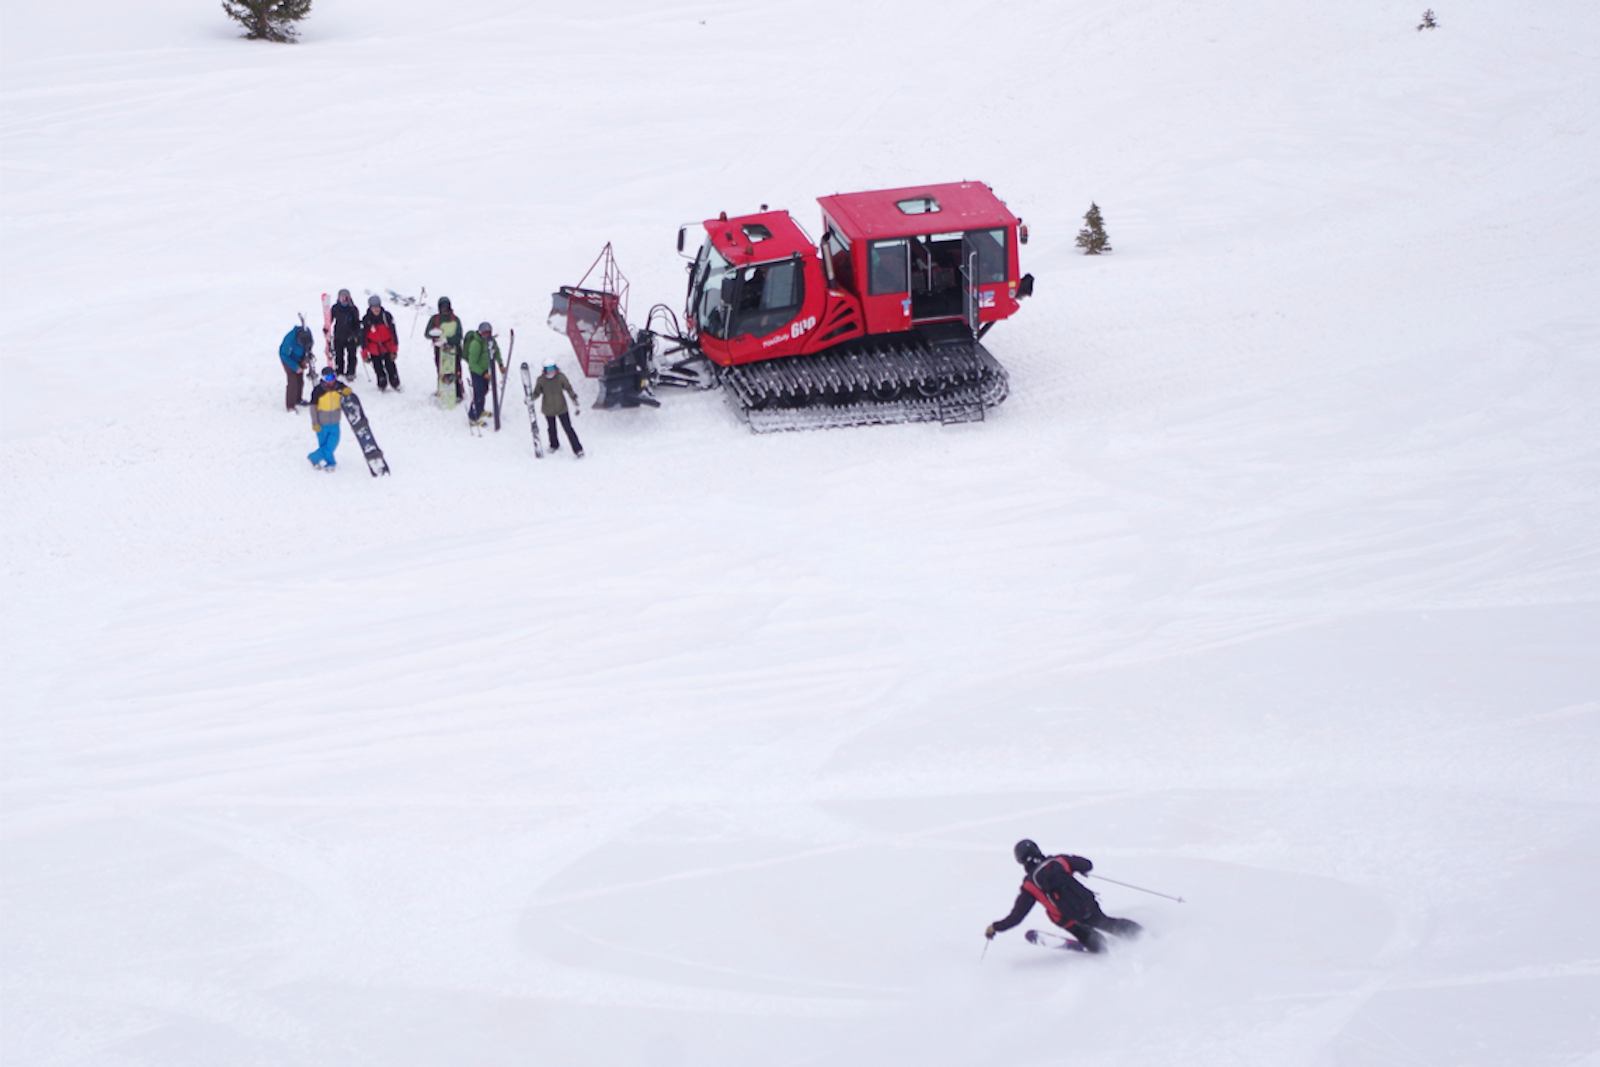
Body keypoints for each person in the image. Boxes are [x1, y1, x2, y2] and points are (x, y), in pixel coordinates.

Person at [984, 840, 1142, 953]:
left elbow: (1016, 917)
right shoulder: (1059, 861)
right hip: (1088, 904)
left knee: (1083, 933)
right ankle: (1143, 936)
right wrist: (1076, 869)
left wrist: (995, 927)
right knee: (1106, 922)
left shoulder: (1029, 886)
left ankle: (1101, 947)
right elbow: (1087, 864)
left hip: (1066, 918)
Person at [531, 361, 583, 457]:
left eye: (553, 368)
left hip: (561, 407)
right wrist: (531, 398)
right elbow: (537, 392)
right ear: (544, 370)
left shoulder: (560, 377)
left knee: (568, 428)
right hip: (548, 408)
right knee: (551, 428)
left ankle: (578, 449)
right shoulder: (541, 380)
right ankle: (554, 445)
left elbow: (568, 387)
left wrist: (573, 397)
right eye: (548, 369)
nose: (551, 371)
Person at [307, 367, 353, 470]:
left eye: (333, 377)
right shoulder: (318, 390)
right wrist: (315, 423)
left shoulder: (338, 386)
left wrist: (347, 391)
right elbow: (313, 407)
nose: (331, 380)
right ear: (323, 379)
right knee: (324, 444)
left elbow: (346, 390)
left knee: (333, 443)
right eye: (328, 378)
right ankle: (331, 462)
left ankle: (314, 457)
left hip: (335, 422)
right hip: (322, 423)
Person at [461, 322, 506, 426]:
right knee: (478, 394)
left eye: (489, 333)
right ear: (480, 332)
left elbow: (496, 351)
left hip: (486, 370)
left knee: (484, 391)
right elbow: (472, 363)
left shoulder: (490, 341)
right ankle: (473, 417)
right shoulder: (476, 344)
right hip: (477, 372)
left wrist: (500, 364)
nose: (487, 335)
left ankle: (480, 410)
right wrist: (482, 373)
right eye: (485, 333)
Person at [424, 295, 465, 402]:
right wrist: (435, 335)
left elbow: (459, 336)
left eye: (446, 307)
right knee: (441, 369)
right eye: (443, 308)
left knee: (455, 370)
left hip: (454, 350)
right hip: (440, 350)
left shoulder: (455, 320)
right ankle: (442, 389)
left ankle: (458, 392)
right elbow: (427, 333)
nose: (445, 310)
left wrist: (447, 340)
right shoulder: (435, 319)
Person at [361, 295, 402, 392]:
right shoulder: (366, 319)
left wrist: (394, 350)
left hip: (387, 347)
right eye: (374, 307)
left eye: (377, 307)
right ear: (370, 308)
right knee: (377, 366)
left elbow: (393, 334)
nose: (376, 309)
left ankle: (394, 381)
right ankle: (382, 381)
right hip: (374, 348)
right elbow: (363, 337)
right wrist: (364, 353)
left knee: (390, 365)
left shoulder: (386, 317)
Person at [278, 324, 315, 412]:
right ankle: (290, 405)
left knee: (300, 380)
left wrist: (305, 358)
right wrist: (295, 367)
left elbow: (310, 344)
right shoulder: (289, 340)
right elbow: (284, 355)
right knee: (293, 380)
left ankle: (298, 399)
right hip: (288, 359)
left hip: (300, 357)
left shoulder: (307, 332)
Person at [330, 289, 362, 379]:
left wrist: (357, 334)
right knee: (339, 355)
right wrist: (326, 328)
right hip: (338, 335)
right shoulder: (335, 308)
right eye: (342, 299)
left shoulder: (353, 309)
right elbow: (330, 320)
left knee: (351, 355)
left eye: (346, 298)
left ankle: (351, 372)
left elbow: (357, 323)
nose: (344, 301)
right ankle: (339, 370)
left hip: (350, 336)